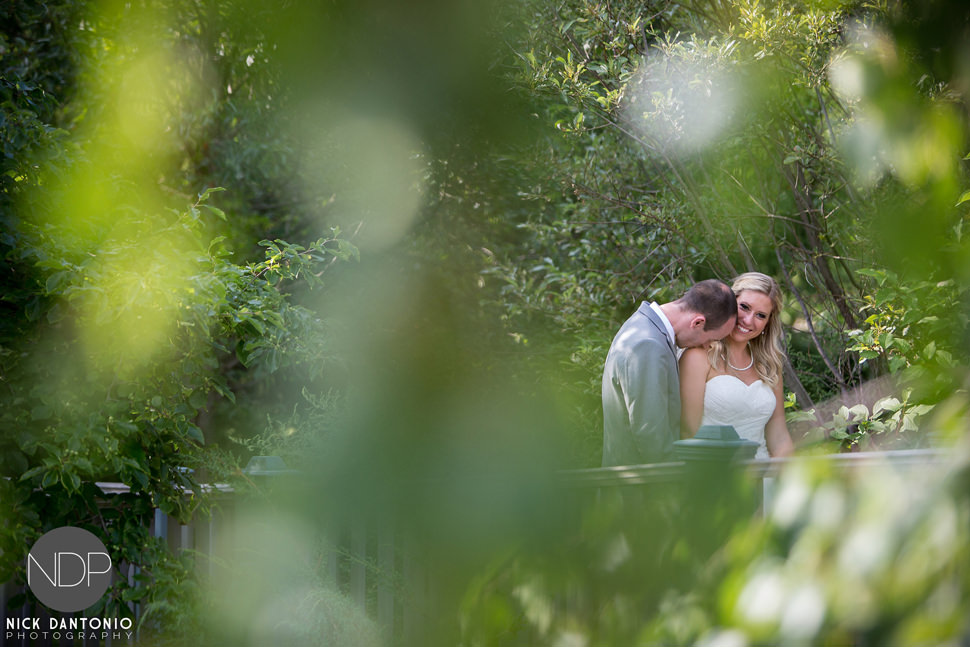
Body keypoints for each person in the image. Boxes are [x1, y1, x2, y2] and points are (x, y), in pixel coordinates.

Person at [601, 279, 738, 467]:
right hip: (640, 489)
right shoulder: (648, 344)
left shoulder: (644, 326)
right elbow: (651, 434)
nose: (707, 346)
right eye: (711, 339)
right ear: (698, 322)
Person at [679, 272, 795, 459]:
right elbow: (688, 432)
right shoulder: (698, 356)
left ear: (767, 323)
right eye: (744, 307)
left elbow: (779, 435)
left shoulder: (769, 365)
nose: (748, 320)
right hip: (714, 473)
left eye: (760, 315)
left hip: (764, 475)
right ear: (730, 303)